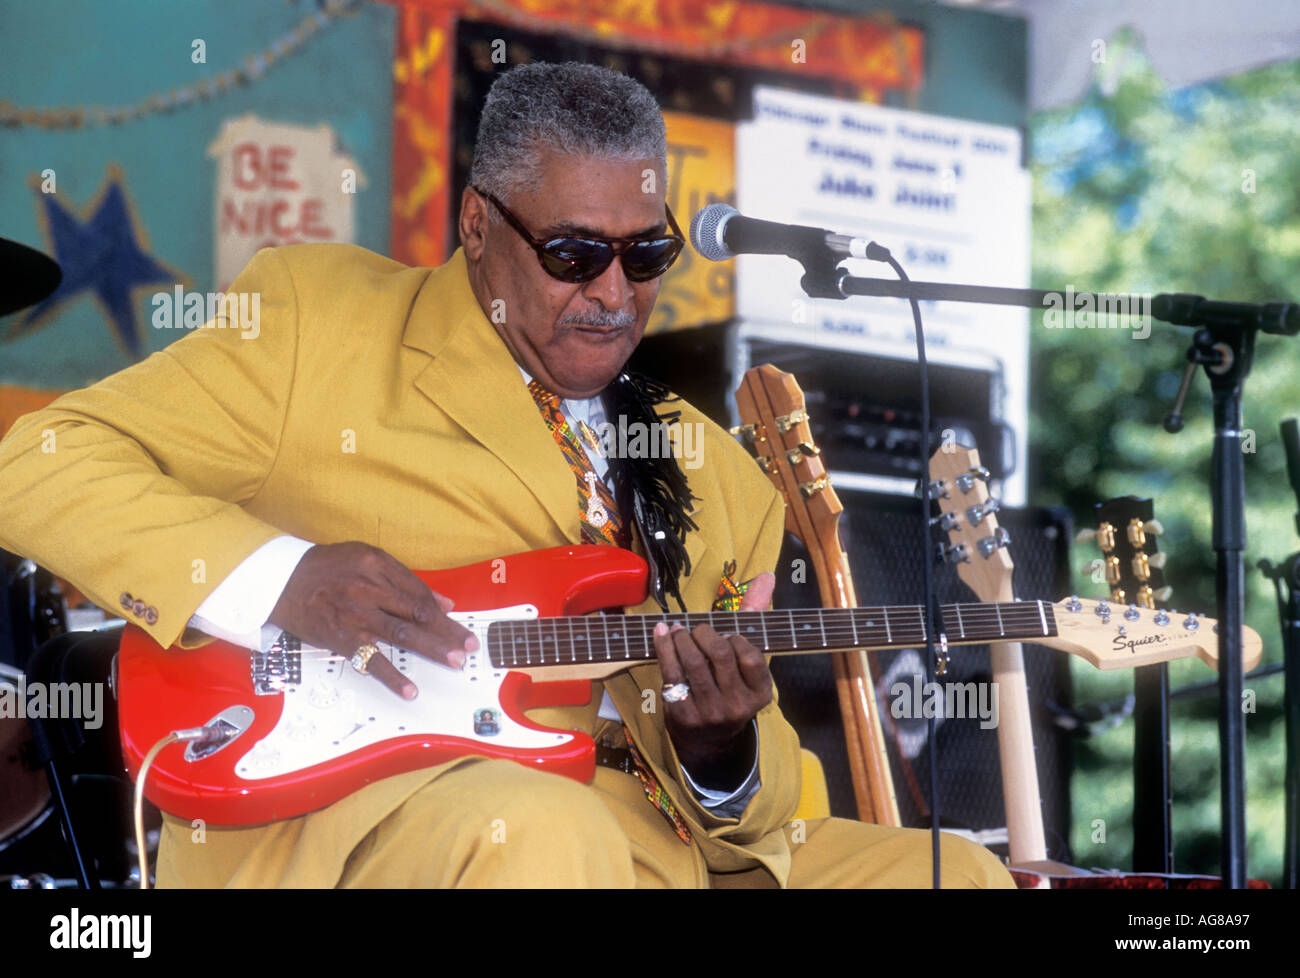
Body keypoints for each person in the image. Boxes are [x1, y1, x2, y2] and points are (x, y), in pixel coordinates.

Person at [0, 61, 1013, 889]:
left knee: (952, 873)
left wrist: (721, 755)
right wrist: (285, 581)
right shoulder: (321, 322)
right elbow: (36, 464)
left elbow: (770, 812)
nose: (615, 294)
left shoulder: (716, 473)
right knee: (538, 831)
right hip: (360, 828)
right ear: (479, 228)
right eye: (574, 254)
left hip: (650, 844)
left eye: (645, 253)